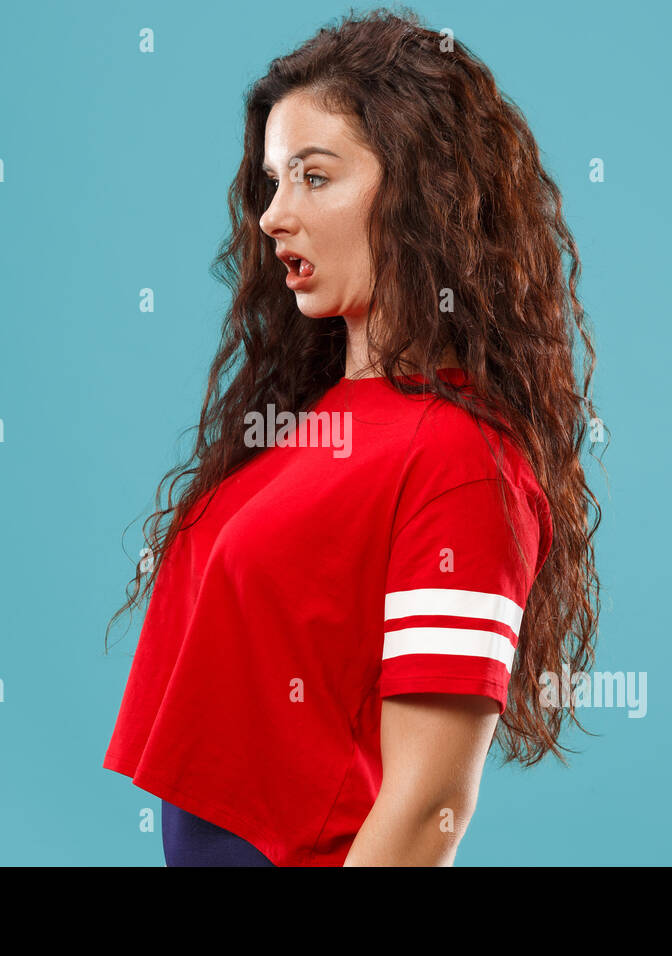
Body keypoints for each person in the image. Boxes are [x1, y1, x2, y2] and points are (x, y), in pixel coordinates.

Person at [103, 7, 604, 867]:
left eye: (314, 176)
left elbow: (427, 807)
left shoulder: (460, 460)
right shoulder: (315, 421)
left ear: (423, 191)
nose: (271, 215)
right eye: (271, 181)